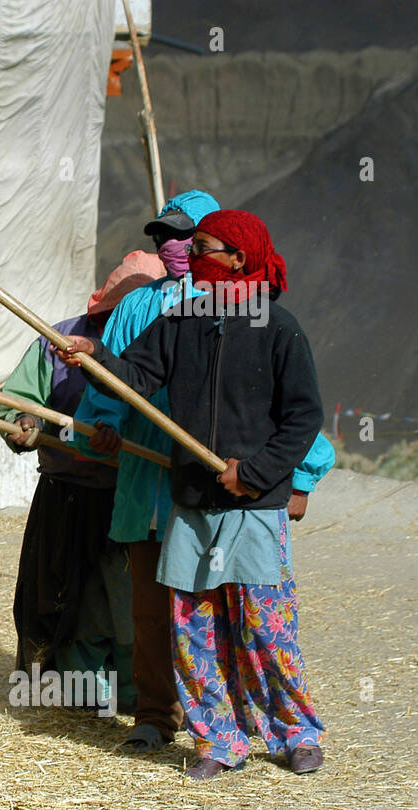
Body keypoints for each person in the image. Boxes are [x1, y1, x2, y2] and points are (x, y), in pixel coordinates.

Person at [59, 209, 326, 779]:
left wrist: (255, 472)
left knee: (264, 626)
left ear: (240, 258)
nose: (195, 260)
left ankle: (294, 731)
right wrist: (93, 356)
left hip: (254, 505)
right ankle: (218, 740)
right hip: (192, 503)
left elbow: (303, 418)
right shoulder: (182, 322)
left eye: (206, 248)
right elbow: (136, 377)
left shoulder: (280, 329)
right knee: (194, 629)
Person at [0, 251, 166, 714]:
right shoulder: (61, 338)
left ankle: (131, 700)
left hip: (129, 501)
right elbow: (17, 402)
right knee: (49, 599)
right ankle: (60, 694)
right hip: (63, 492)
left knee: (123, 609)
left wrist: (121, 438)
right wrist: (26, 422)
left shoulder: (167, 339)